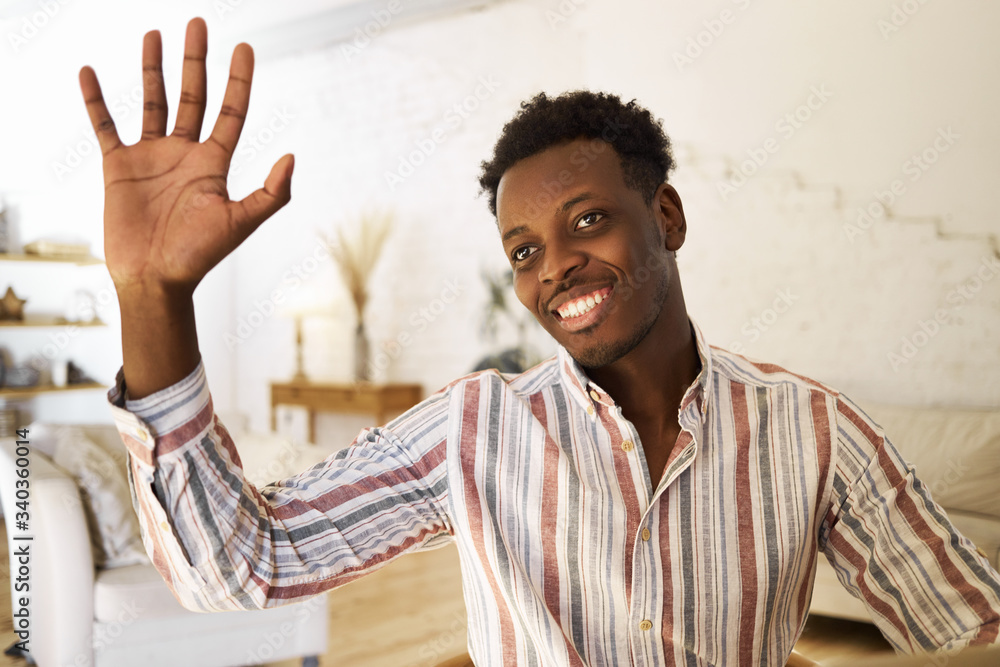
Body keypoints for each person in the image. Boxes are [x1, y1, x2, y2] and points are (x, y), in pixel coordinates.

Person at [81, 17, 1000, 666]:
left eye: (587, 219)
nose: (554, 266)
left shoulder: (814, 431)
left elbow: (970, 628)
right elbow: (243, 567)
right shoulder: (474, 427)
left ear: (667, 216)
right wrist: (153, 296)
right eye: (523, 250)